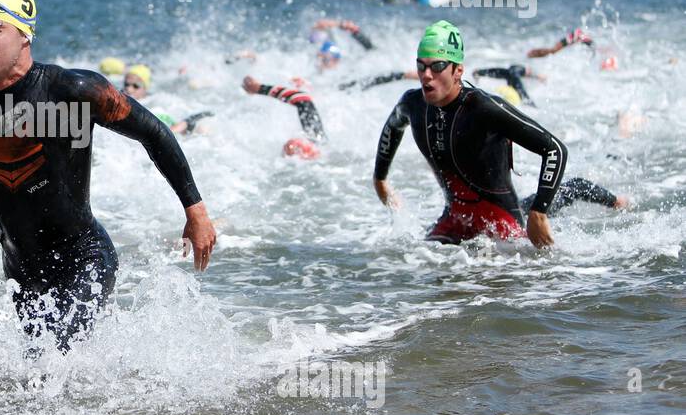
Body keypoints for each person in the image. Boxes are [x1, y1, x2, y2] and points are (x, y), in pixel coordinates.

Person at [0, 0, 216, 353]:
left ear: (24, 38)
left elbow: (153, 132)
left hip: (84, 256)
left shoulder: (73, 91)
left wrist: (195, 210)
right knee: (43, 375)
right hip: (20, 267)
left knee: (52, 361)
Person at [373, 20, 568, 247]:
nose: (426, 75)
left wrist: (539, 212)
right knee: (409, 267)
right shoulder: (412, 104)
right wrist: (380, 178)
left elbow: (554, 149)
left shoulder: (482, 107)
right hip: (454, 220)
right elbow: (393, 127)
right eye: (421, 66)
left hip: (501, 226)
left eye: (437, 67)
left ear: (458, 71)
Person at [241, 75, 326, 159]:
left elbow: (303, 99)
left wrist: (260, 89)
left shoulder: (318, 143)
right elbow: (303, 100)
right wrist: (259, 88)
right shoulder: (318, 140)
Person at [118, 63, 212, 136]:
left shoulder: (158, 100)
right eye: (126, 84)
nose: (129, 89)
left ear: (145, 87)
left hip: (172, 129)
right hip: (165, 130)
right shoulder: (122, 100)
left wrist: (185, 123)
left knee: (203, 129)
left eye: (136, 86)